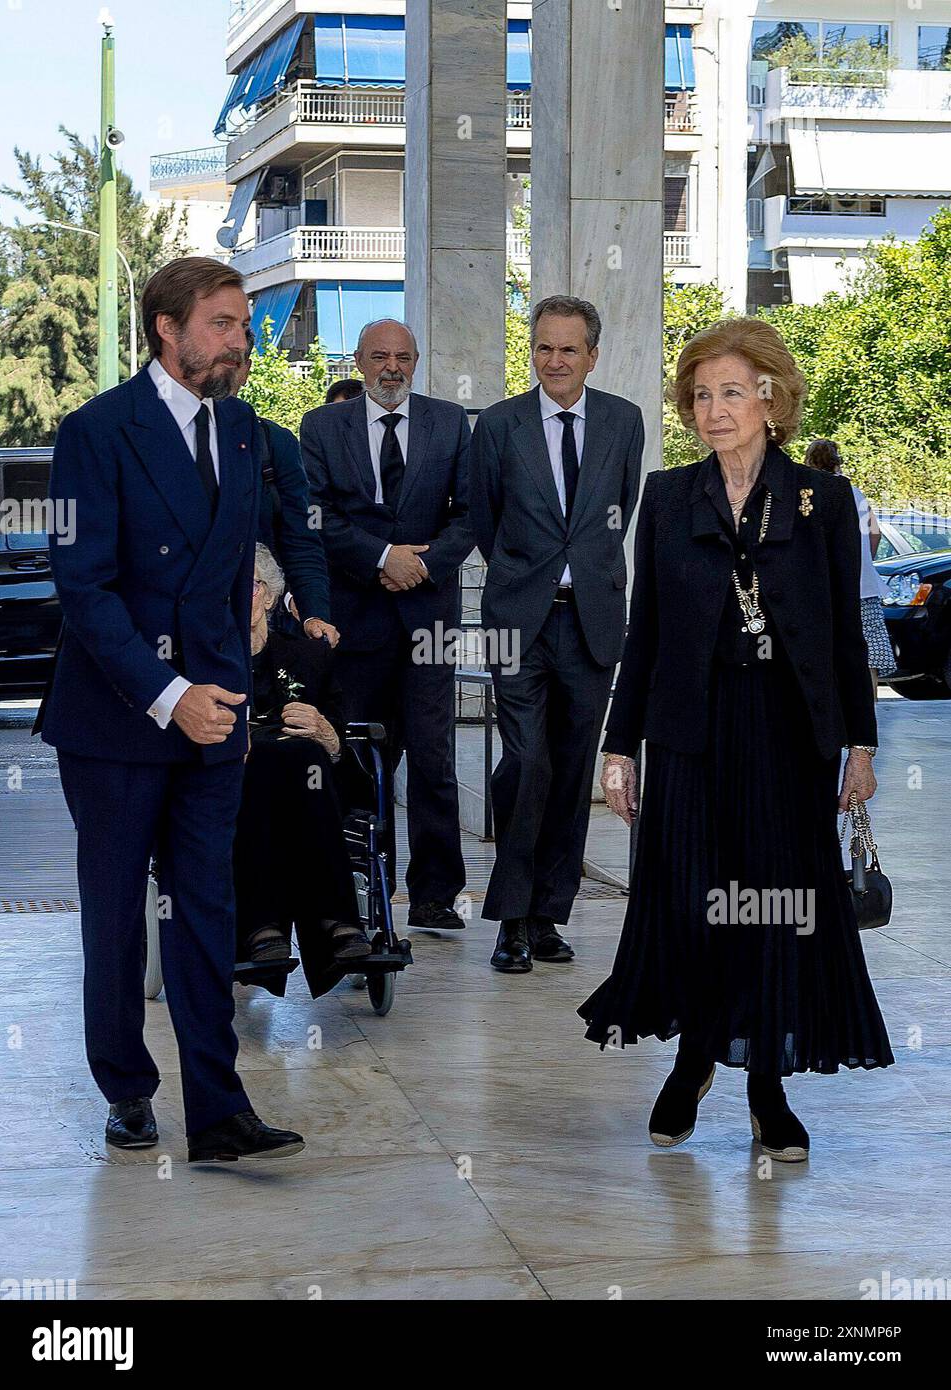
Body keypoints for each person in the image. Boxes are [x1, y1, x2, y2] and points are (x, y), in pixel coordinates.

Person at [579, 317, 893, 1163]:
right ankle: (689, 1061)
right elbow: (642, 632)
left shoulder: (820, 501)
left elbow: (838, 638)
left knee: (774, 909)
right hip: (689, 732)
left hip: (786, 735)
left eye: (730, 391)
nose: (712, 409)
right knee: (690, 902)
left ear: (770, 397)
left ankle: (765, 1087)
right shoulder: (669, 496)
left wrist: (858, 749)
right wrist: (619, 748)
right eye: (699, 394)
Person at [36, 256, 304, 1164]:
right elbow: (83, 589)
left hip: (218, 718)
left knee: (207, 911)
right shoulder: (94, 432)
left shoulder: (244, 434)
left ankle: (220, 1111)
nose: (241, 341)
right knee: (117, 913)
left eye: (242, 326)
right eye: (225, 323)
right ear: (168, 326)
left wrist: (229, 691)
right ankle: (126, 1089)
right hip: (117, 721)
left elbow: (233, 578)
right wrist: (169, 695)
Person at [469, 295, 645, 973]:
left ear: (591, 355)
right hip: (519, 619)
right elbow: (486, 519)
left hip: (592, 622)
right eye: (543, 347)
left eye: (568, 349)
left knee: (572, 772)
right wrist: (527, 571)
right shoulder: (500, 425)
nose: (554, 360)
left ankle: (547, 914)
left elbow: (616, 513)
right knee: (526, 762)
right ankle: (510, 918)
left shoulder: (621, 423)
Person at [300, 318, 474, 930]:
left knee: (432, 757)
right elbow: (314, 516)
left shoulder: (450, 423)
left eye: (403, 356)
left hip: (428, 619)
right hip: (356, 620)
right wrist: (382, 558)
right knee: (354, 757)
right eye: (379, 356)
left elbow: (470, 513)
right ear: (360, 361)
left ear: (417, 360)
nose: (391, 367)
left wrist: (420, 565)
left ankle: (434, 896)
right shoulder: (323, 426)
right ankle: (359, 893)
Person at [233, 545, 369, 997]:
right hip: (242, 791)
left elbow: (343, 746)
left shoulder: (308, 657)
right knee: (272, 761)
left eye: (249, 585)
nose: (238, 594)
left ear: (270, 597)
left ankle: (265, 927)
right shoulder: (207, 663)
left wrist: (329, 734)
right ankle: (335, 920)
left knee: (307, 755)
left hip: (311, 792)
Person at [235, 335, 338, 646]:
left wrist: (311, 612)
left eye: (233, 360)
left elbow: (300, 538)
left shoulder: (272, 443)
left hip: (259, 625)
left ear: (246, 370)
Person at [804, 438, 896, 697]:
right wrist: (863, 561)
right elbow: (875, 534)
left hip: (824, 588)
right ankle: (868, 716)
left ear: (809, 461)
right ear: (837, 462)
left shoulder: (806, 494)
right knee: (870, 653)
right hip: (864, 587)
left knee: (826, 651)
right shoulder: (854, 492)